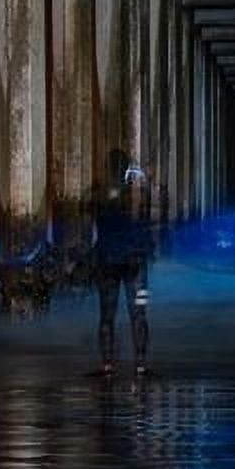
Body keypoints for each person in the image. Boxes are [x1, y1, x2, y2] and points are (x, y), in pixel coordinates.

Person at [93, 151, 154, 376]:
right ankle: (140, 364)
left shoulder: (99, 194)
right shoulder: (136, 195)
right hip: (135, 262)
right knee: (139, 313)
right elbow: (144, 225)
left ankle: (107, 364)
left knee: (106, 315)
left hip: (108, 261)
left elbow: (96, 221)